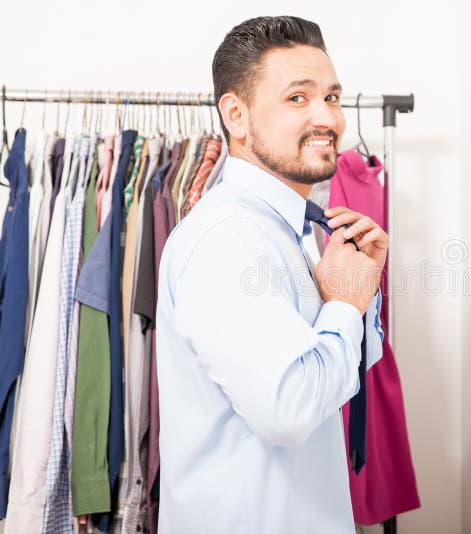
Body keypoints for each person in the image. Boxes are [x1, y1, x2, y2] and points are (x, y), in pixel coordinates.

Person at [155, 16, 387, 532]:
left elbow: (336, 374)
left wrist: (358, 296)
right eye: (298, 99)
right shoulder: (229, 239)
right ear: (236, 115)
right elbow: (290, 408)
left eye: (332, 96)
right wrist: (345, 305)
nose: (327, 117)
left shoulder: (291, 230)